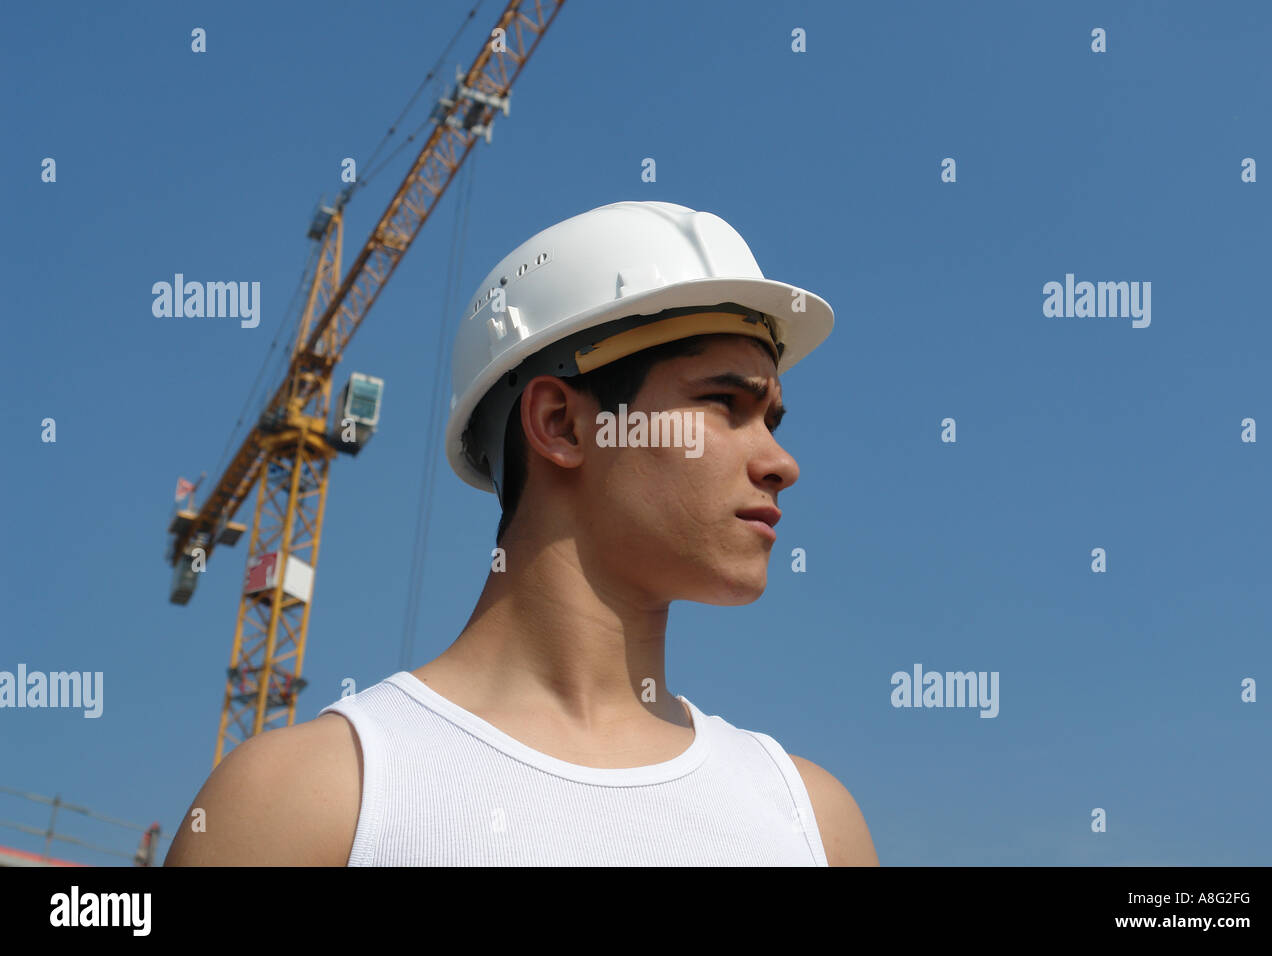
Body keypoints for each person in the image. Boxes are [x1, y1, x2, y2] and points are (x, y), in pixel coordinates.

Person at [164, 200, 878, 866]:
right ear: (561, 424)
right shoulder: (304, 807)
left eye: (772, 420)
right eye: (724, 403)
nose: (779, 462)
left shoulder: (814, 825)